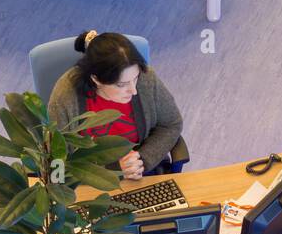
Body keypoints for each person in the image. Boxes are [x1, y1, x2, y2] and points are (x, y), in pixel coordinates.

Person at [46, 31, 183, 181]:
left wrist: (142, 160)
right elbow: (57, 158)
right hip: (88, 181)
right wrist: (115, 169)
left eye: (135, 78)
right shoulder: (66, 95)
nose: (133, 90)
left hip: (141, 173)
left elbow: (171, 124)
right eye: (121, 85)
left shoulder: (145, 77)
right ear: (96, 79)